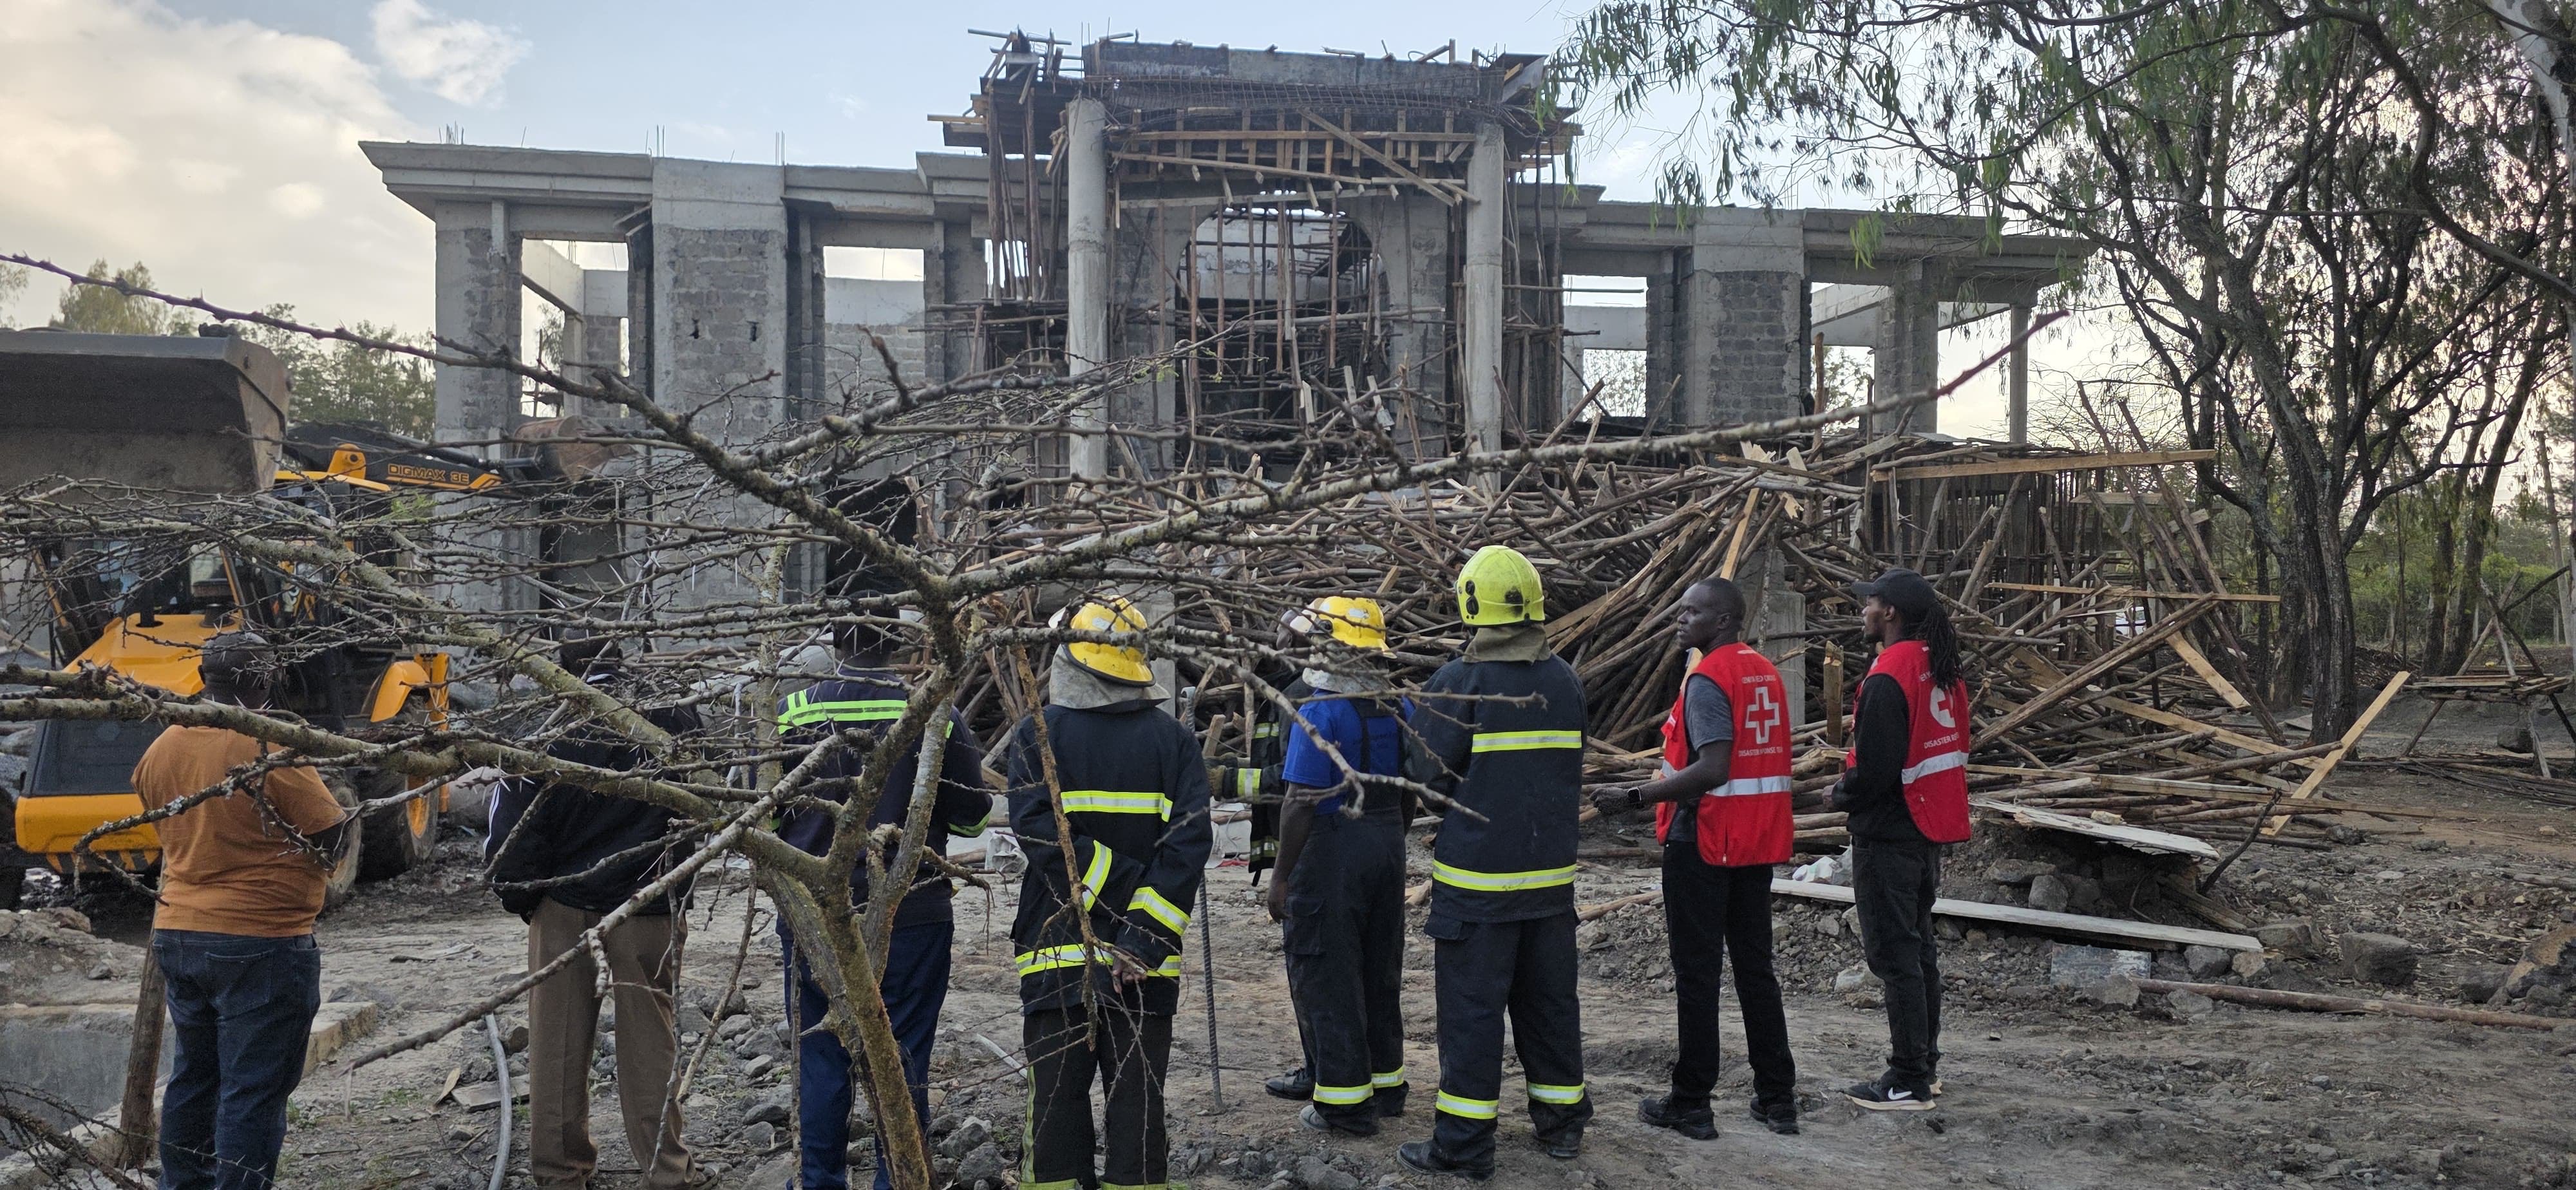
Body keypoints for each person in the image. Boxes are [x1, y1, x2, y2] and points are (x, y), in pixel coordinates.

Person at [774, 616, 993, 1190]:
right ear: (898, 647)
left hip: (815, 910)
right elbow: (974, 816)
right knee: (905, 1058)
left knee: (821, 1052)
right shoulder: (932, 712)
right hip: (913, 912)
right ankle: (896, 1181)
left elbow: (765, 811)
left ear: (836, 642)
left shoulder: (794, 710)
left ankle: (820, 1181)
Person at [1002, 597, 1212, 1190]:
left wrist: (1110, 898)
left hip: (1059, 954)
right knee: (1139, 1120)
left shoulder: (1035, 738)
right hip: (1144, 968)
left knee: (1054, 1121)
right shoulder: (1174, 744)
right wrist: (1139, 937)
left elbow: (1042, 840)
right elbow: (1187, 851)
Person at [131, 630, 351, 1190]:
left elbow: (164, 821)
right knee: (252, 1090)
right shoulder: (268, 745)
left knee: (195, 1079)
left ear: (205, 679)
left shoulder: (163, 747)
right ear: (269, 681)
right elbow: (331, 835)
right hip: (261, 941)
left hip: (179, 932)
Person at [1399, 547, 1592, 1180]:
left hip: (1477, 891)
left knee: (1472, 1018)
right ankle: (1562, 1125)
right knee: (1550, 1008)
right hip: (1549, 885)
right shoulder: (1564, 680)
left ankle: (1462, 1146)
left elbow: (1426, 773)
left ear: (1471, 605)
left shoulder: (1463, 680)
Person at [486, 637, 703, 1189]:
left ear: (562, 670)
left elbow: (513, 828)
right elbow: (706, 810)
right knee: (651, 1035)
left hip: (563, 901)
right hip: (649, 899)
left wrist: (524, 898)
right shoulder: (672, 717)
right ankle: (667, 1171)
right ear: (622, 661)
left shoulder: (542, 722)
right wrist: (675, 885)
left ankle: (560, 1173)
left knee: (554, 1039)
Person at [1592, 578, 1799, 1140]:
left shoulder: (1709, 678)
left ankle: (1691, 1102)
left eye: (1693, 612)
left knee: (1698, 976)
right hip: (1754, 843)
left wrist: (1633, 798)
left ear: (1726, 620)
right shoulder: (1764, 672)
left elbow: (1713, 769)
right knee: (1757, 970)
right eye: (1680, 610)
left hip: (1705, 843)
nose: (1680, 620)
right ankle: (1778, 1098)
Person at [1264, 596, 1412, 1137]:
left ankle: (1345, 1107)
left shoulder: (1320, 711)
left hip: (1331, 849)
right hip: (1387, 842)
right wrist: (1391, 832)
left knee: (1327, 971)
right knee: (1379, 966)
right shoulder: (1397, 706)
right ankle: (1387, 1086)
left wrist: (1281, 878)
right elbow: (1409, 791)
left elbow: (1301, 799)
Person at [1833, 568, 1972, 1111]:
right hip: (1926, 827)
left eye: (1868, 603)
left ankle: (1907, 1079)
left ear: (1888, 612)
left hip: (1889, 832)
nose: (1863, 611)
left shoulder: (1889, 674)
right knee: (1918, 952)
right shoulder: (1942, 670)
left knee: (1894, 954)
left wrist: (1840, 793)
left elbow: (1876, 770)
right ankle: (1924, 1067)